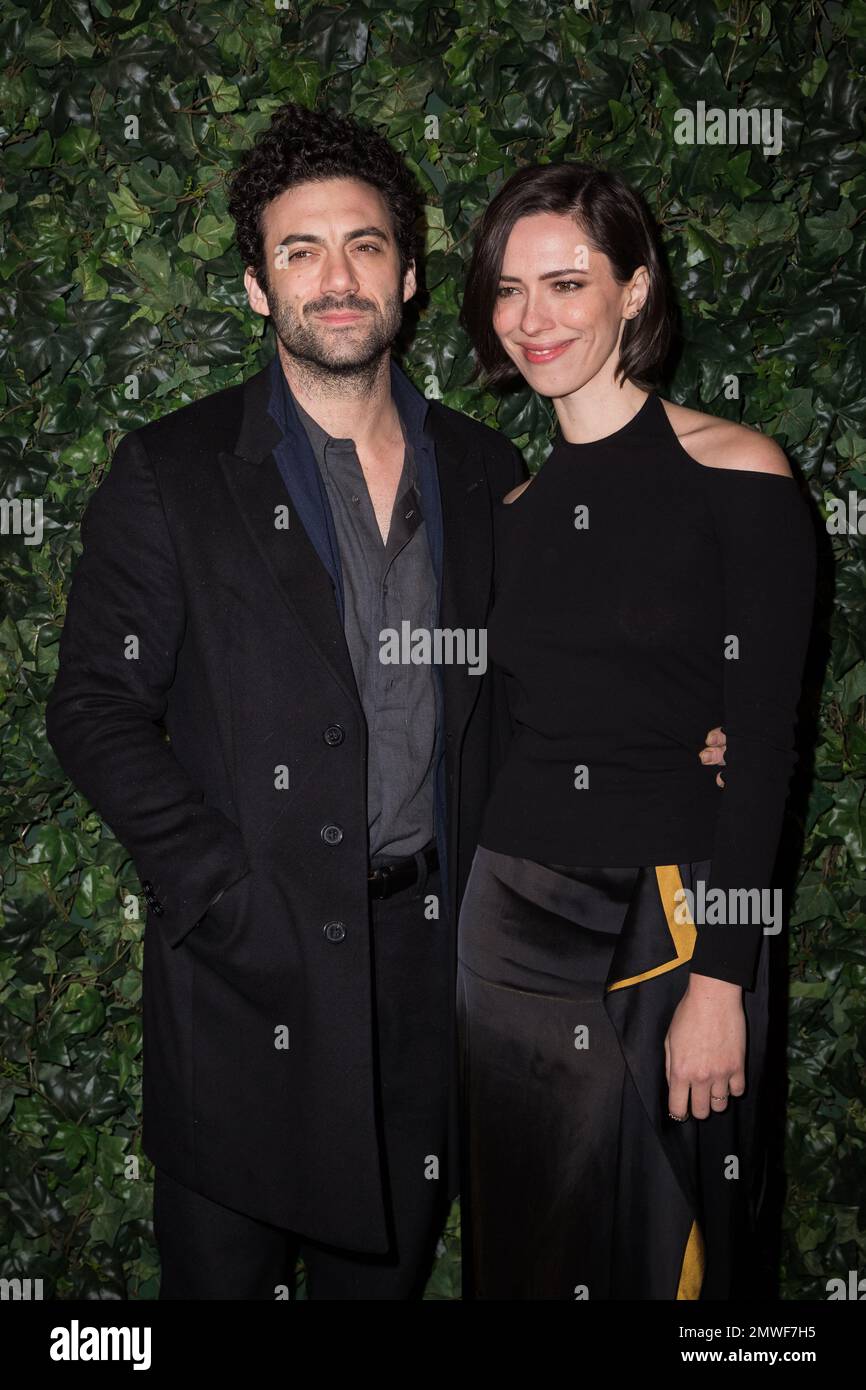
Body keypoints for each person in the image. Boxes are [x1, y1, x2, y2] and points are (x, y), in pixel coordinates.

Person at [44, 106, 725, 1300]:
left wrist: (677, 730)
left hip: (428, 969)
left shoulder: (488, 473)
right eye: (298, 250)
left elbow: (540, 691)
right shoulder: (171, 471)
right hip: (241, 976)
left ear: (406, 278)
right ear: (258, 289)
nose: (335, 276)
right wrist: (217, 890)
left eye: (362, 245)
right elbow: (94, 708)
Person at [456, 161, 817, 1301]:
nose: (531, 318)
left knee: (676, 1244)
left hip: (674, 921)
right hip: (508, 926)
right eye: (508, 290)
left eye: (565, 283)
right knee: (530, 1242)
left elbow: (764, 748)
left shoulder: (740, 474)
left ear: (636, 290)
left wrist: (722, 981)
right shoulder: (504, 512)